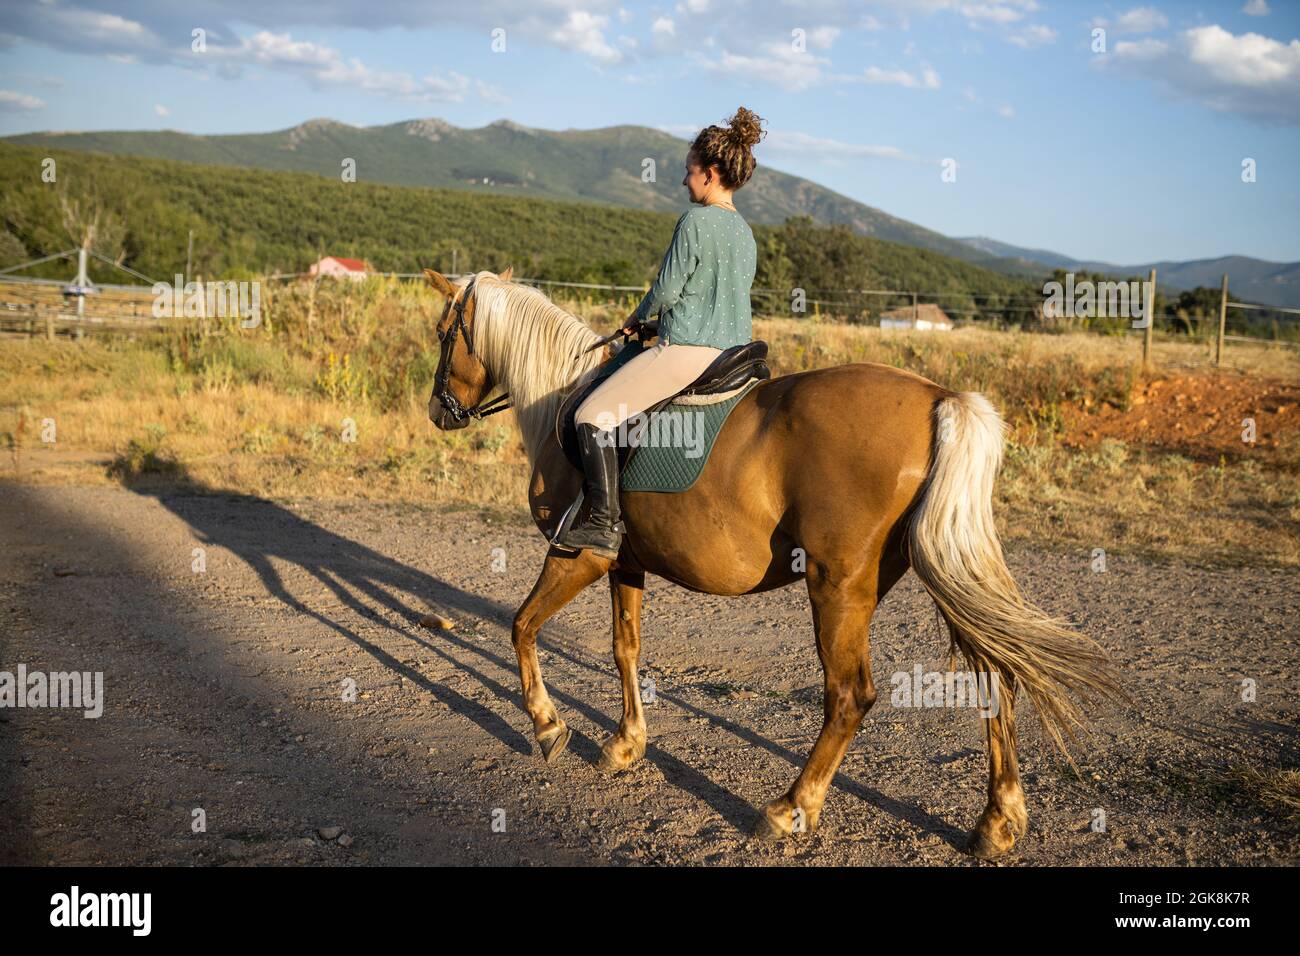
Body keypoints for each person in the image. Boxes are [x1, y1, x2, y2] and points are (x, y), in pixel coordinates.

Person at [557, 107, 765, 559]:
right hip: (733, 354)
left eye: (689, 172)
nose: (684, 181)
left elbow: (667, 289)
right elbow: (710, 296)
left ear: (710, 174)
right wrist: (659, 322)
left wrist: (636, 319)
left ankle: (602, 522)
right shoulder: (746, 234)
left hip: (688, 352)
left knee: (590, 416)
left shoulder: (694, 222)